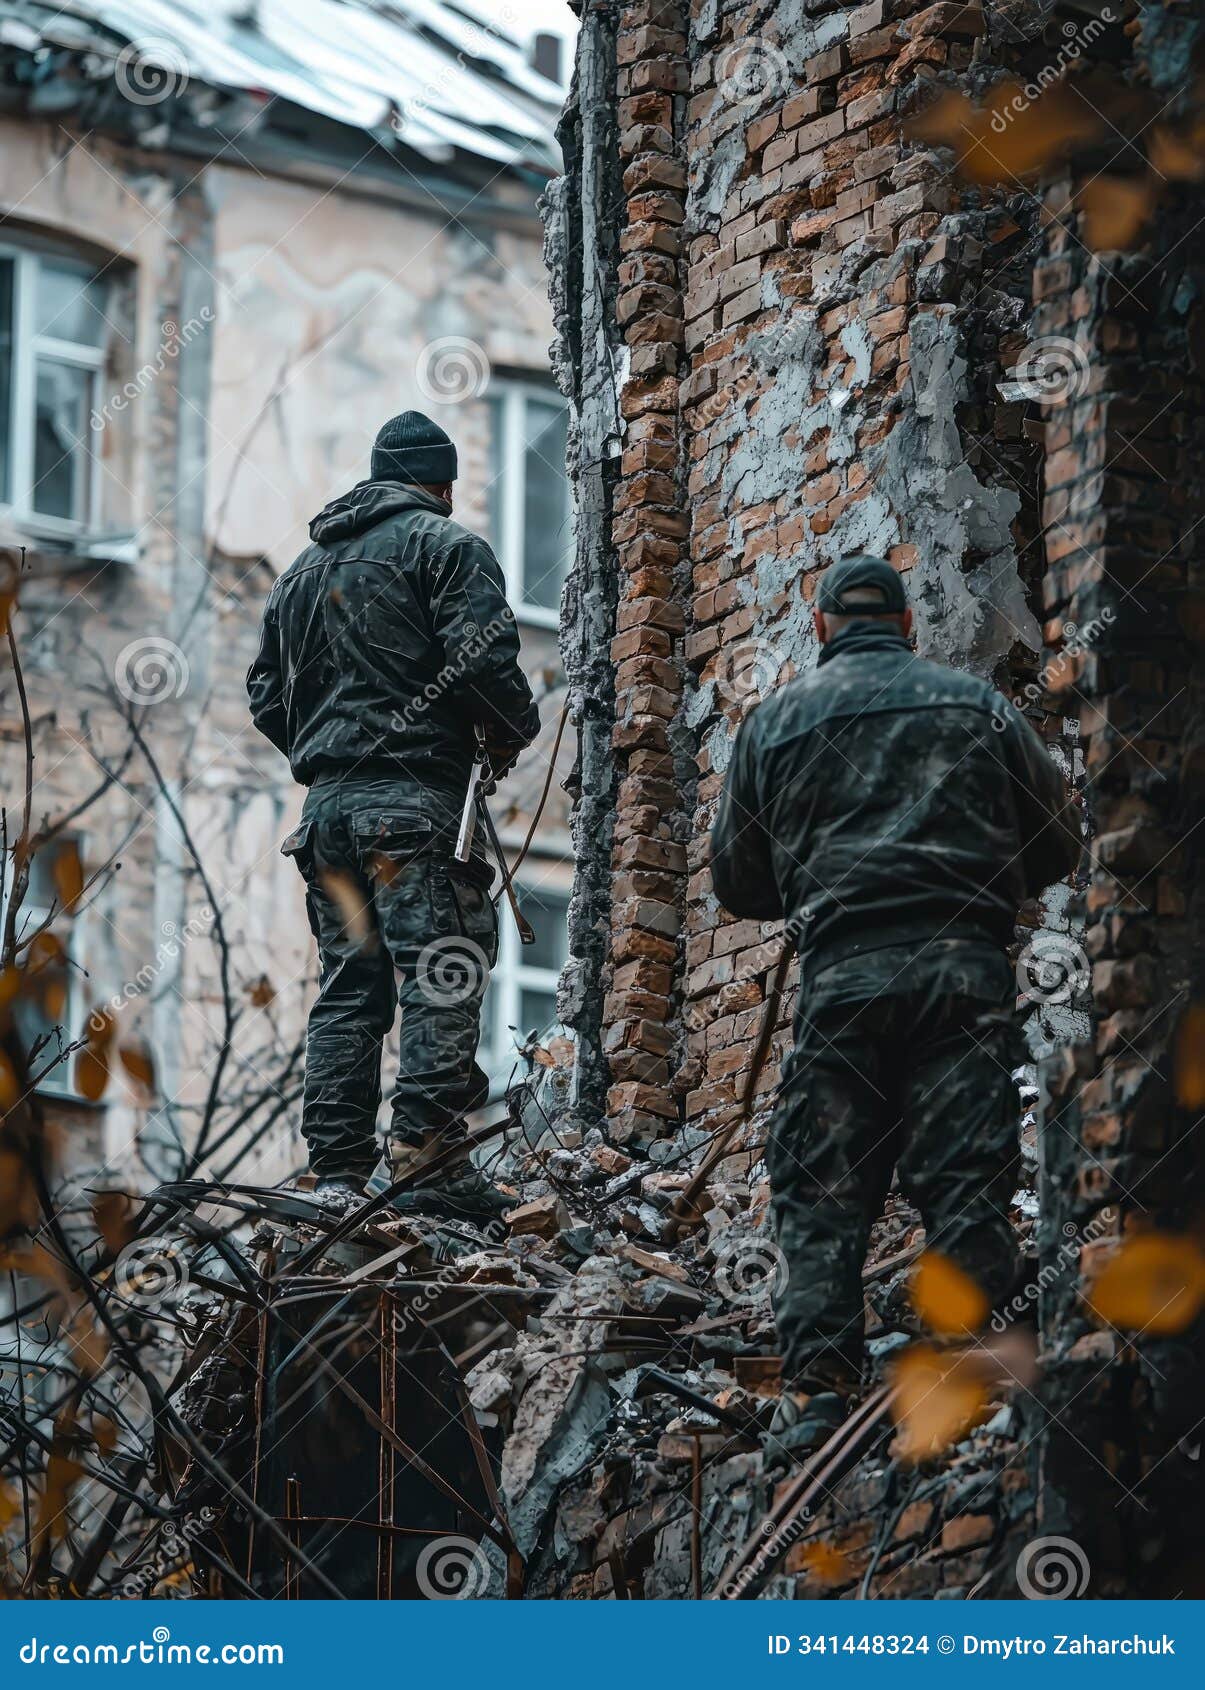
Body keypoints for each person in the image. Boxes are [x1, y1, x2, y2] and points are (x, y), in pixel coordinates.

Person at [710, 554, 1080, 1456]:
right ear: (909, 625)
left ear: (823, 627)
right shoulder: (975, 706)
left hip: (842, 985)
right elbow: (1058, 841)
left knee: (823, 1190)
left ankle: (814, 1400)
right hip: (962, 974)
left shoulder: (773, 726)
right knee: (963, 1181)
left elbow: (737, 882)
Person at [247, 410, 539, 1218]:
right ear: (440, 484)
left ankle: (337, 1173)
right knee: (441, 971)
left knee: (350, 989)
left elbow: (265, 694)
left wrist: (327, 748)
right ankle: (426, 1160)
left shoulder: (299, 573)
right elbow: (481, 660)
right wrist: (512, 727)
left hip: (327, 816)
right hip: (411, 809)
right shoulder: (445, 547)